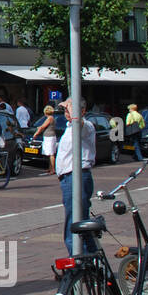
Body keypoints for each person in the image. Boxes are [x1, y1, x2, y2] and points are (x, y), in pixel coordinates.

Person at [57, 97, 97, 254]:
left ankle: (79, 264)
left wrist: (72, 108)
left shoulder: (86, 125)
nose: (66, 112)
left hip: (76, 177)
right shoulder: (69, 127)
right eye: (66, 110)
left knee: (74, 223)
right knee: (79, 222)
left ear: (82, 111)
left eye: (70, 109)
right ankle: (91, 264)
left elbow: (79, 123)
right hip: (69, 179)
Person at [31, 104, 57, 173]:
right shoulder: (51, 118)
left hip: (49, 137)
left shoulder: (49, 118)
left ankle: (53, 169)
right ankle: (50, 168)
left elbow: (43, 127)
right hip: (49, 136)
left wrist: (36, 133)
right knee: (49, 153)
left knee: (51, 153)